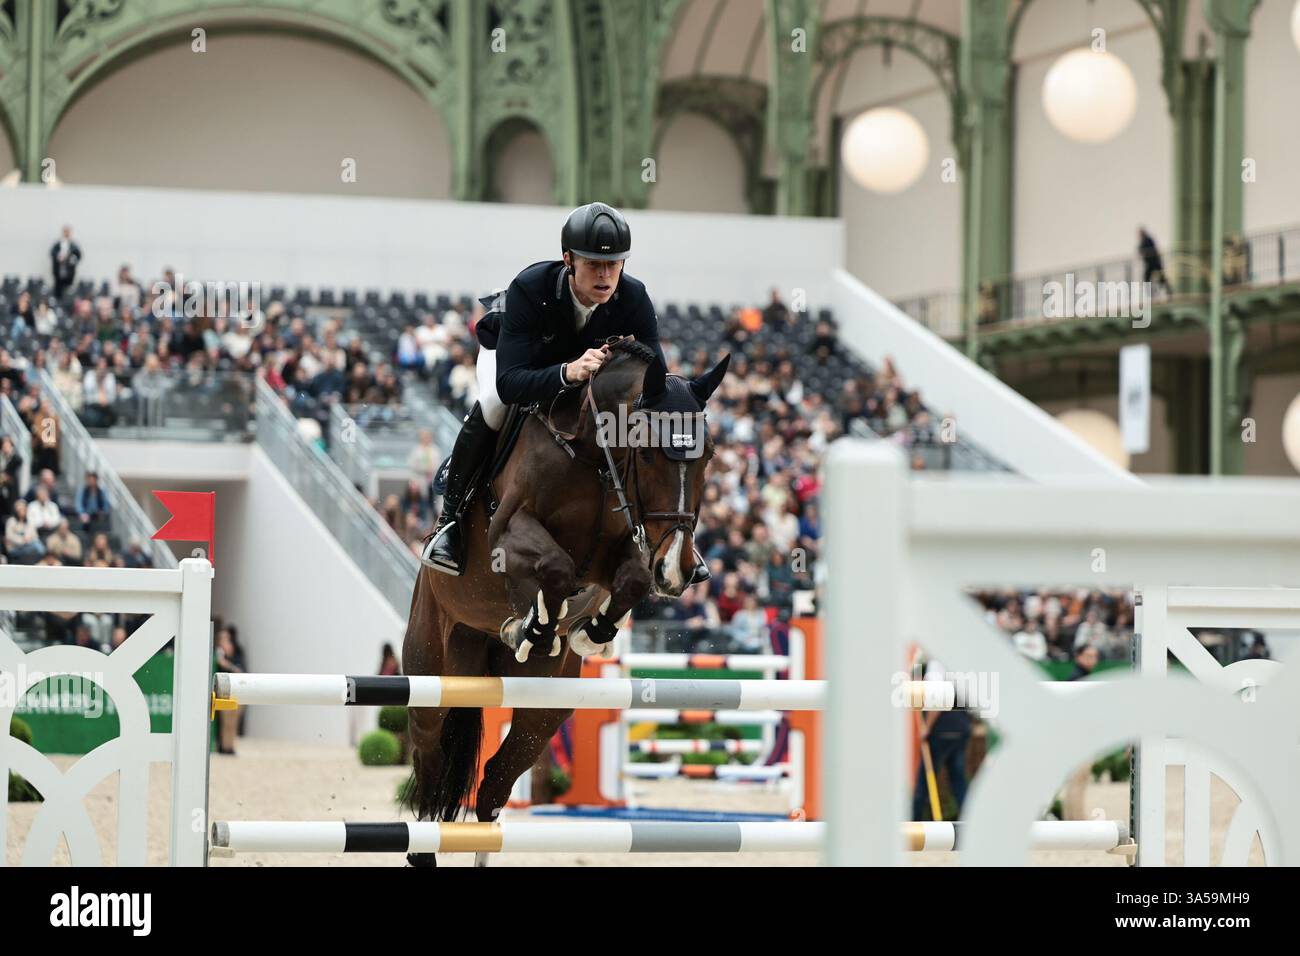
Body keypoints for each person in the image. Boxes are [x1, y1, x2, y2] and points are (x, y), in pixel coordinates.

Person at [421, 202, 705, 585]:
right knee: (492, 404)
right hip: (517, 363)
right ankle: (450, 522)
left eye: (614, 265)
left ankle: (673, 534)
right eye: (593, 265)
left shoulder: (633, 297)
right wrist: (567, 372)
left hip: (584, 382)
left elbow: (656, 378)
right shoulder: (530, 288)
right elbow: (511, 383)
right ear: (568, 259)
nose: (605, 276)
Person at [50, 226, 82, 299]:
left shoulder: (74, 245)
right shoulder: (57, 244)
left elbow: (78, 256)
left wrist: (70, 259)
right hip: (58, 273)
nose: (66, 233)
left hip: (69, 273)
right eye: (65, 231)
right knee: (58, 291)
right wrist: (58, 257)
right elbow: (52, 253)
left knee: (68, 291)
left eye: (68, 232)